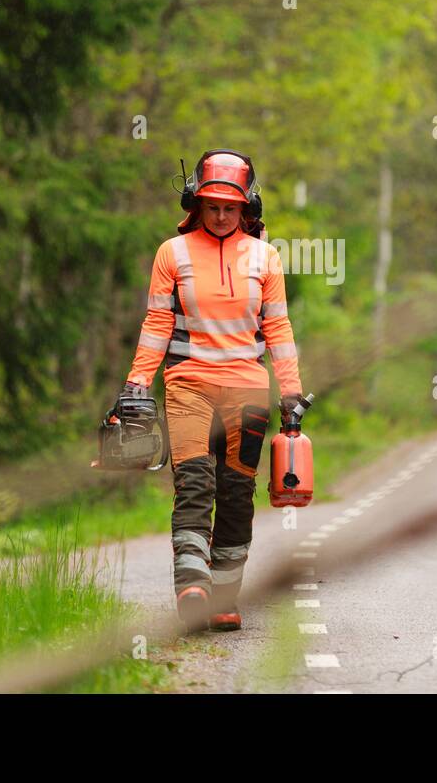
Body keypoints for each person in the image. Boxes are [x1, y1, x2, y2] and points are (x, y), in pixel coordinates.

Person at [121, 150, 305, 633]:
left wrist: (291, 392)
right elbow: (158, 321)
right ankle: (191, 585)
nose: (221, 215)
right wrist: (138, 380)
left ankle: (224, 595)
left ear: (247, 208)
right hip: (188, 385)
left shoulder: (266, 256)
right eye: (212, 206)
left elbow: (278, 326)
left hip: (248, 389)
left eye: (230, 207)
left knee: (238, 491)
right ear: (195, 204)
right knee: (195, 481)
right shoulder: (172, 253)